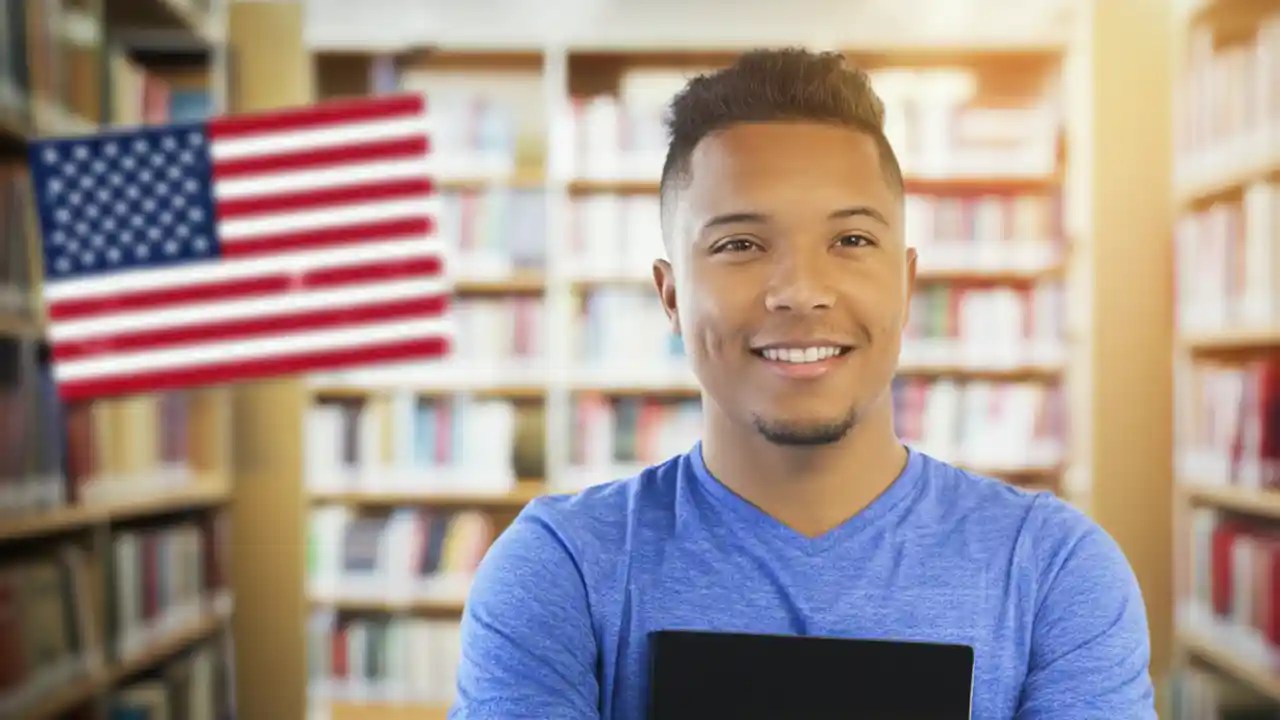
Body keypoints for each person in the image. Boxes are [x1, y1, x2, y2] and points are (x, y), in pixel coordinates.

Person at [450, 47, 1156, 719]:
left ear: (906, 285)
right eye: (740, 245)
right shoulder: (562, 568)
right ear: (670, 295)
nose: (801, 292)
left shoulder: (1054, 572)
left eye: (850, 241)